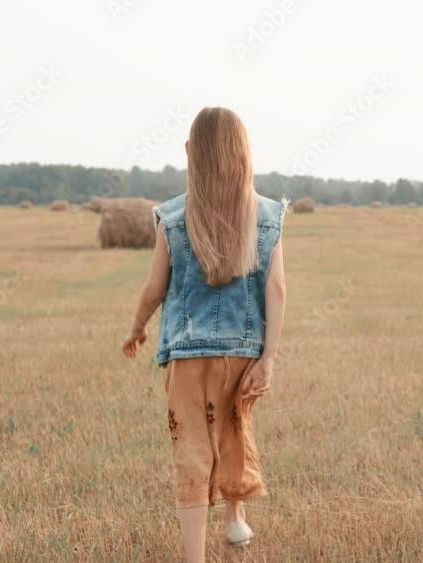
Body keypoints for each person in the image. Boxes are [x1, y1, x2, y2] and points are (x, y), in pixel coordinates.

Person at [121, 106, 287, 563]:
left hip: (187, 355)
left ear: (193, 153)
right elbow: (276, 289)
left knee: (192, 450)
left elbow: (154, 287)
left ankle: (195, 557)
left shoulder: (172, 217)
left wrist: (137, 326)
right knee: (234, 429)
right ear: (242, 154)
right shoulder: (269, 214)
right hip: (242, 352)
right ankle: (234, 519)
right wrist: (268, 356)